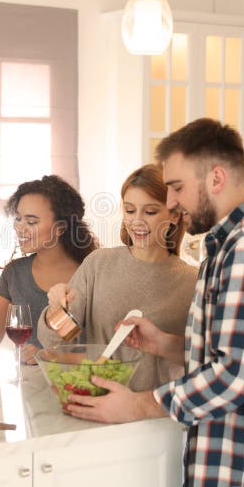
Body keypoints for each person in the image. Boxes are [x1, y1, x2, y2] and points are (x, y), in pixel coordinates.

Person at [65, 118, 244, 486]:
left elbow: (233, 375)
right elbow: (232, 355)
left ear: (216, 179)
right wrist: (164, 343)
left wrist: (137, 405)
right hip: (228, 457)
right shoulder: (228, 247)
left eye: (177, 187)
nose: (171, 202)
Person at [37, 164, 197, 390]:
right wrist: (57, 309)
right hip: (93, 401)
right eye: (130, 211)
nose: (137, 221)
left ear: (174, 215)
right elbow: (55, 340)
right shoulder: (98, 264)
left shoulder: (193, 282)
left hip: (152, 414)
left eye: (150, 212)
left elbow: (202, 359)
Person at [0, 175, 97, 363]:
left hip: (78, 385)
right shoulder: (15, 273)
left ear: (60, 227)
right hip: (28, 387)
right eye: (18, 219)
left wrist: (48, 355)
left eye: (31, 222)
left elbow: (107, 349)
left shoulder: (91, 272)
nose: (20, 228)